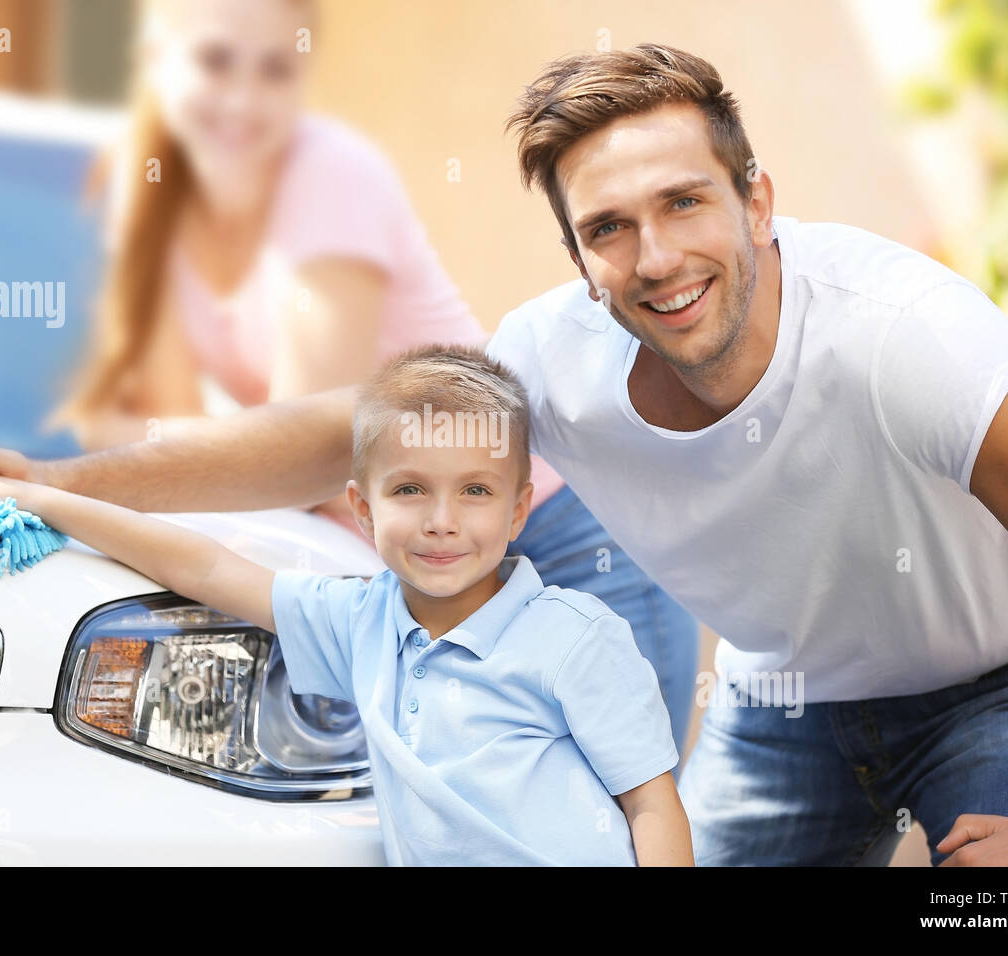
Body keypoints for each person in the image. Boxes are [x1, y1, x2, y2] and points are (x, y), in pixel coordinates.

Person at [0, 43, 1008, 867]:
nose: (657, 256)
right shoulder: (556, 357)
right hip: (786, 693)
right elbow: (339, 428)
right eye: (608, 229)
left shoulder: (905, 338)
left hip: (1006, 678)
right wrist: (52, 482)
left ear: (757, 200)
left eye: (685, 203)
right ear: (577, 256)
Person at [41, 0, 702, 758]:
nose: (244, 100)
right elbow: (150, 422)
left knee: (600, 823)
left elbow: (300, 441)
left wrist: (169, 461)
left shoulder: (330, 174)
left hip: (561, 545)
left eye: (276, 71)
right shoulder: (146, 188)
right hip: (427, 552)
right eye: (216, 62)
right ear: (156, 57)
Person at [0, 345, 694, 867]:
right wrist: (40, 495)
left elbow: (653, 807)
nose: (441, 520)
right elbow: (203, 563)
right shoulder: (358, 621)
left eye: (475, 491)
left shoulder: (579, 637)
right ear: (362, 512)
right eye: (409, 490)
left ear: (520, 508)